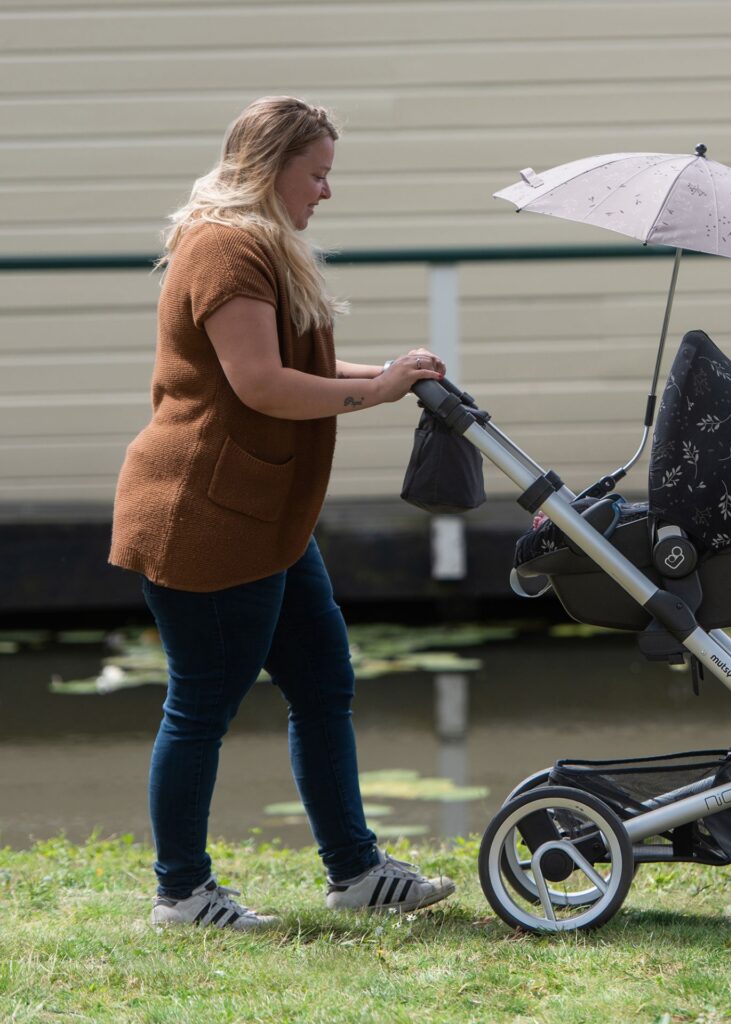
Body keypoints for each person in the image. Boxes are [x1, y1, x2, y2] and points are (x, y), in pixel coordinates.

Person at [109, 95, 455, 929]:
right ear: (273, 168)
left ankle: (356, 872)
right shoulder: (228, 250)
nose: (326, 193)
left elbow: (297, 362)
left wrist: (398, 370)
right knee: (202, 703)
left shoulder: (258, 246)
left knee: (323, 680)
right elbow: (259, 384)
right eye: (318, 173)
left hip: (263, 515)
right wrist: (374, 391)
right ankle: (182, 894)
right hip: (207, 514)